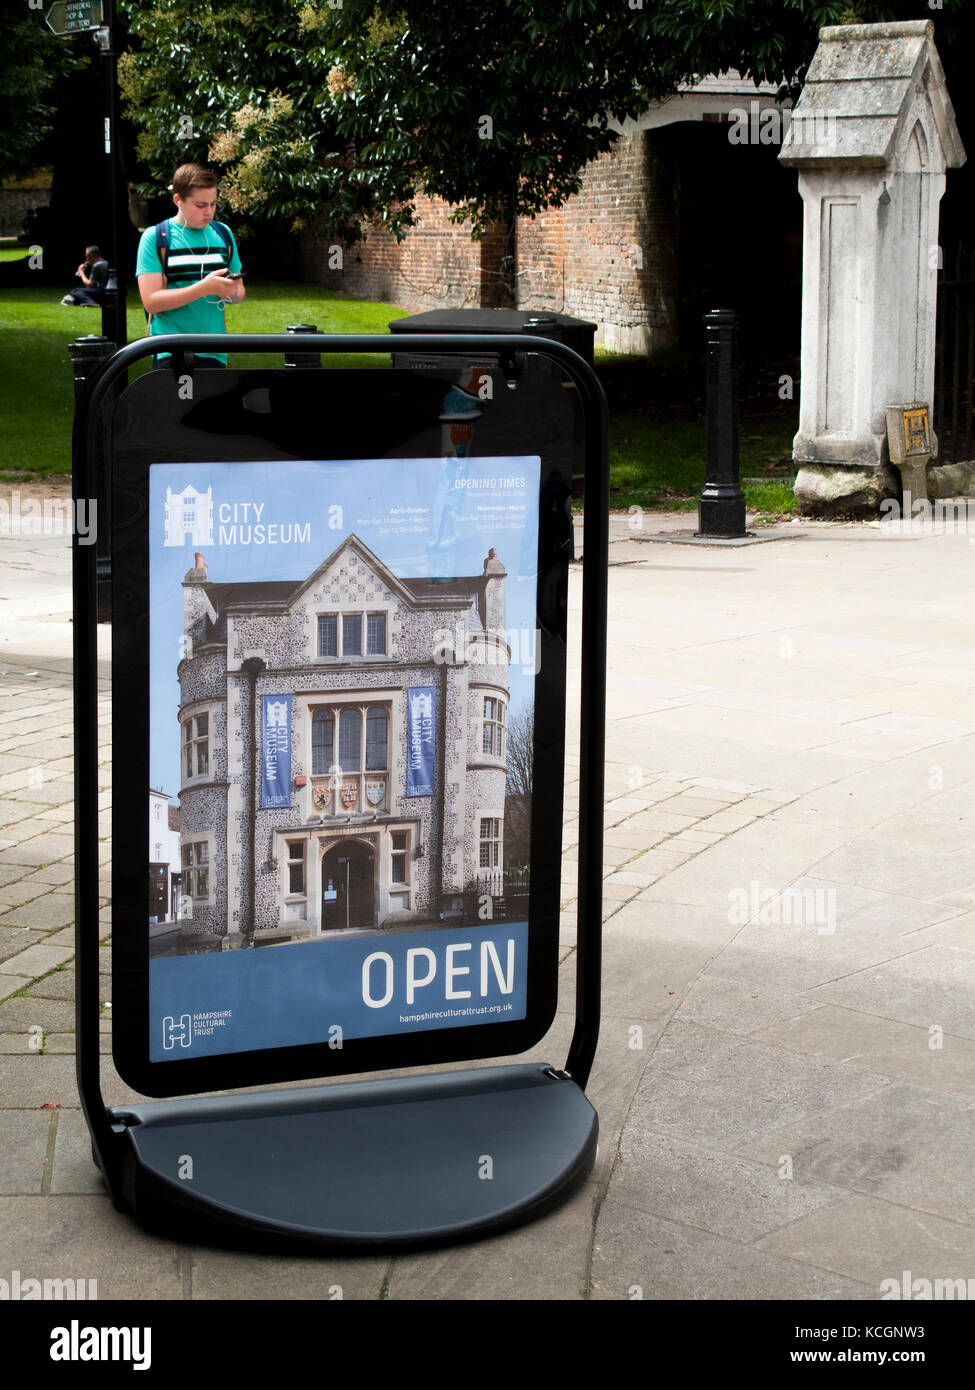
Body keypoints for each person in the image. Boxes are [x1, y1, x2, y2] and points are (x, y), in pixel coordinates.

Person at [135, 163, 245, 369]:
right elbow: (151, 302)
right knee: (180, 401)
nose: (209, 212)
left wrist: (230, 292)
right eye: (200, 205)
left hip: (215, 351)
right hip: (170, 350)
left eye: (213, 204)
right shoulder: (155, 237)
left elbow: (239, 292)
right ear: (178, 200)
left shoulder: (223, 233)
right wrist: (204, 288)